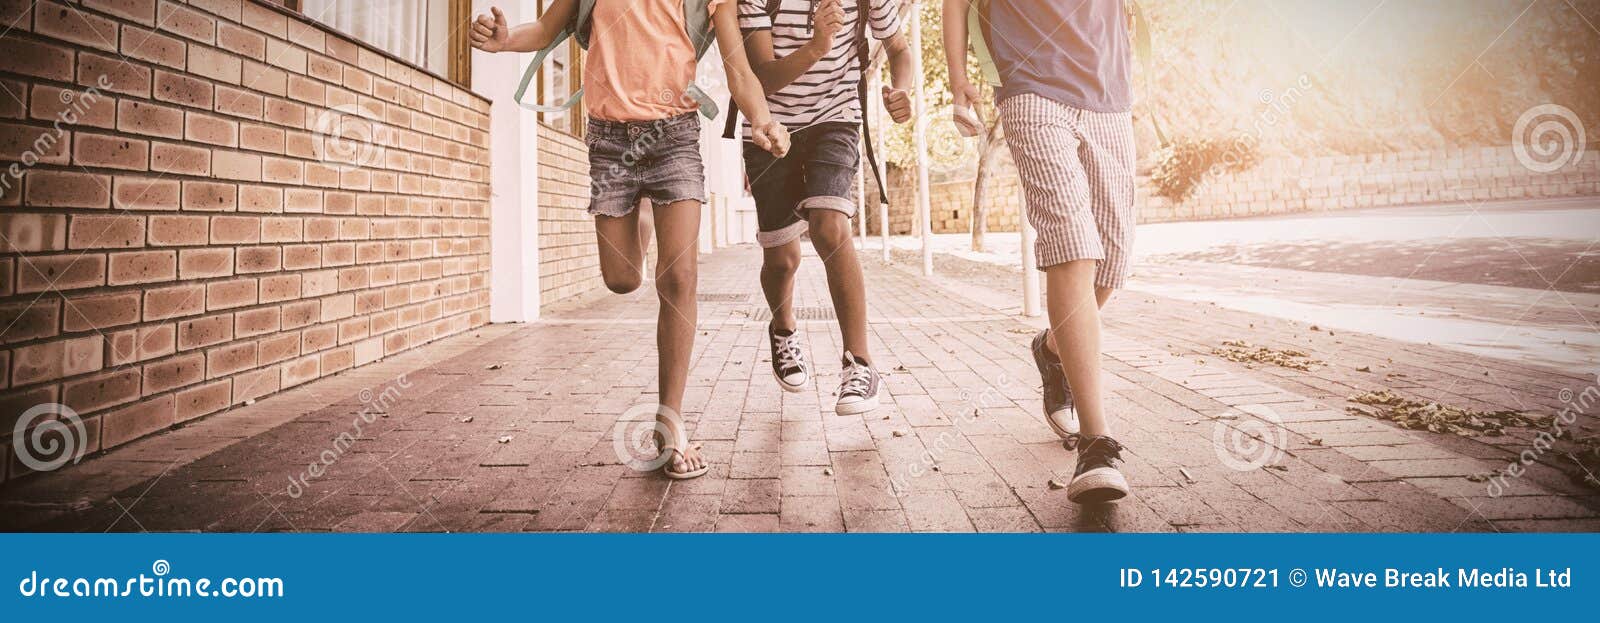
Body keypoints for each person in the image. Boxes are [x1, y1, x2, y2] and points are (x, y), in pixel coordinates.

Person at [471, 0, 790, 479]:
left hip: (675, 137)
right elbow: (544, 28)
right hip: (610, 144)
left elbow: (738, 69)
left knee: (679, 279)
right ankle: (643, 210)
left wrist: (762, 119)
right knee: (621, 279)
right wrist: (504, 40)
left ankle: (671, 423)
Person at [943, 0, 1137, 503]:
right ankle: (1096, 445)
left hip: (1110, 92)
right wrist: (958, 75)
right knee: (1073, 244)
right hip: (1031, 87)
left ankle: (1053, 349)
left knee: (1112, 260)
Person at [737, 0, 914, 415]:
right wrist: (817, 46)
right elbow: (762, 76)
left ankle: (860, 362)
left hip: (836, 116)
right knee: (782, 258)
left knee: (829, 226)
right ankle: (783, 329)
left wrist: (901, 88)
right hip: (768, 123)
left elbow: (898, 47)